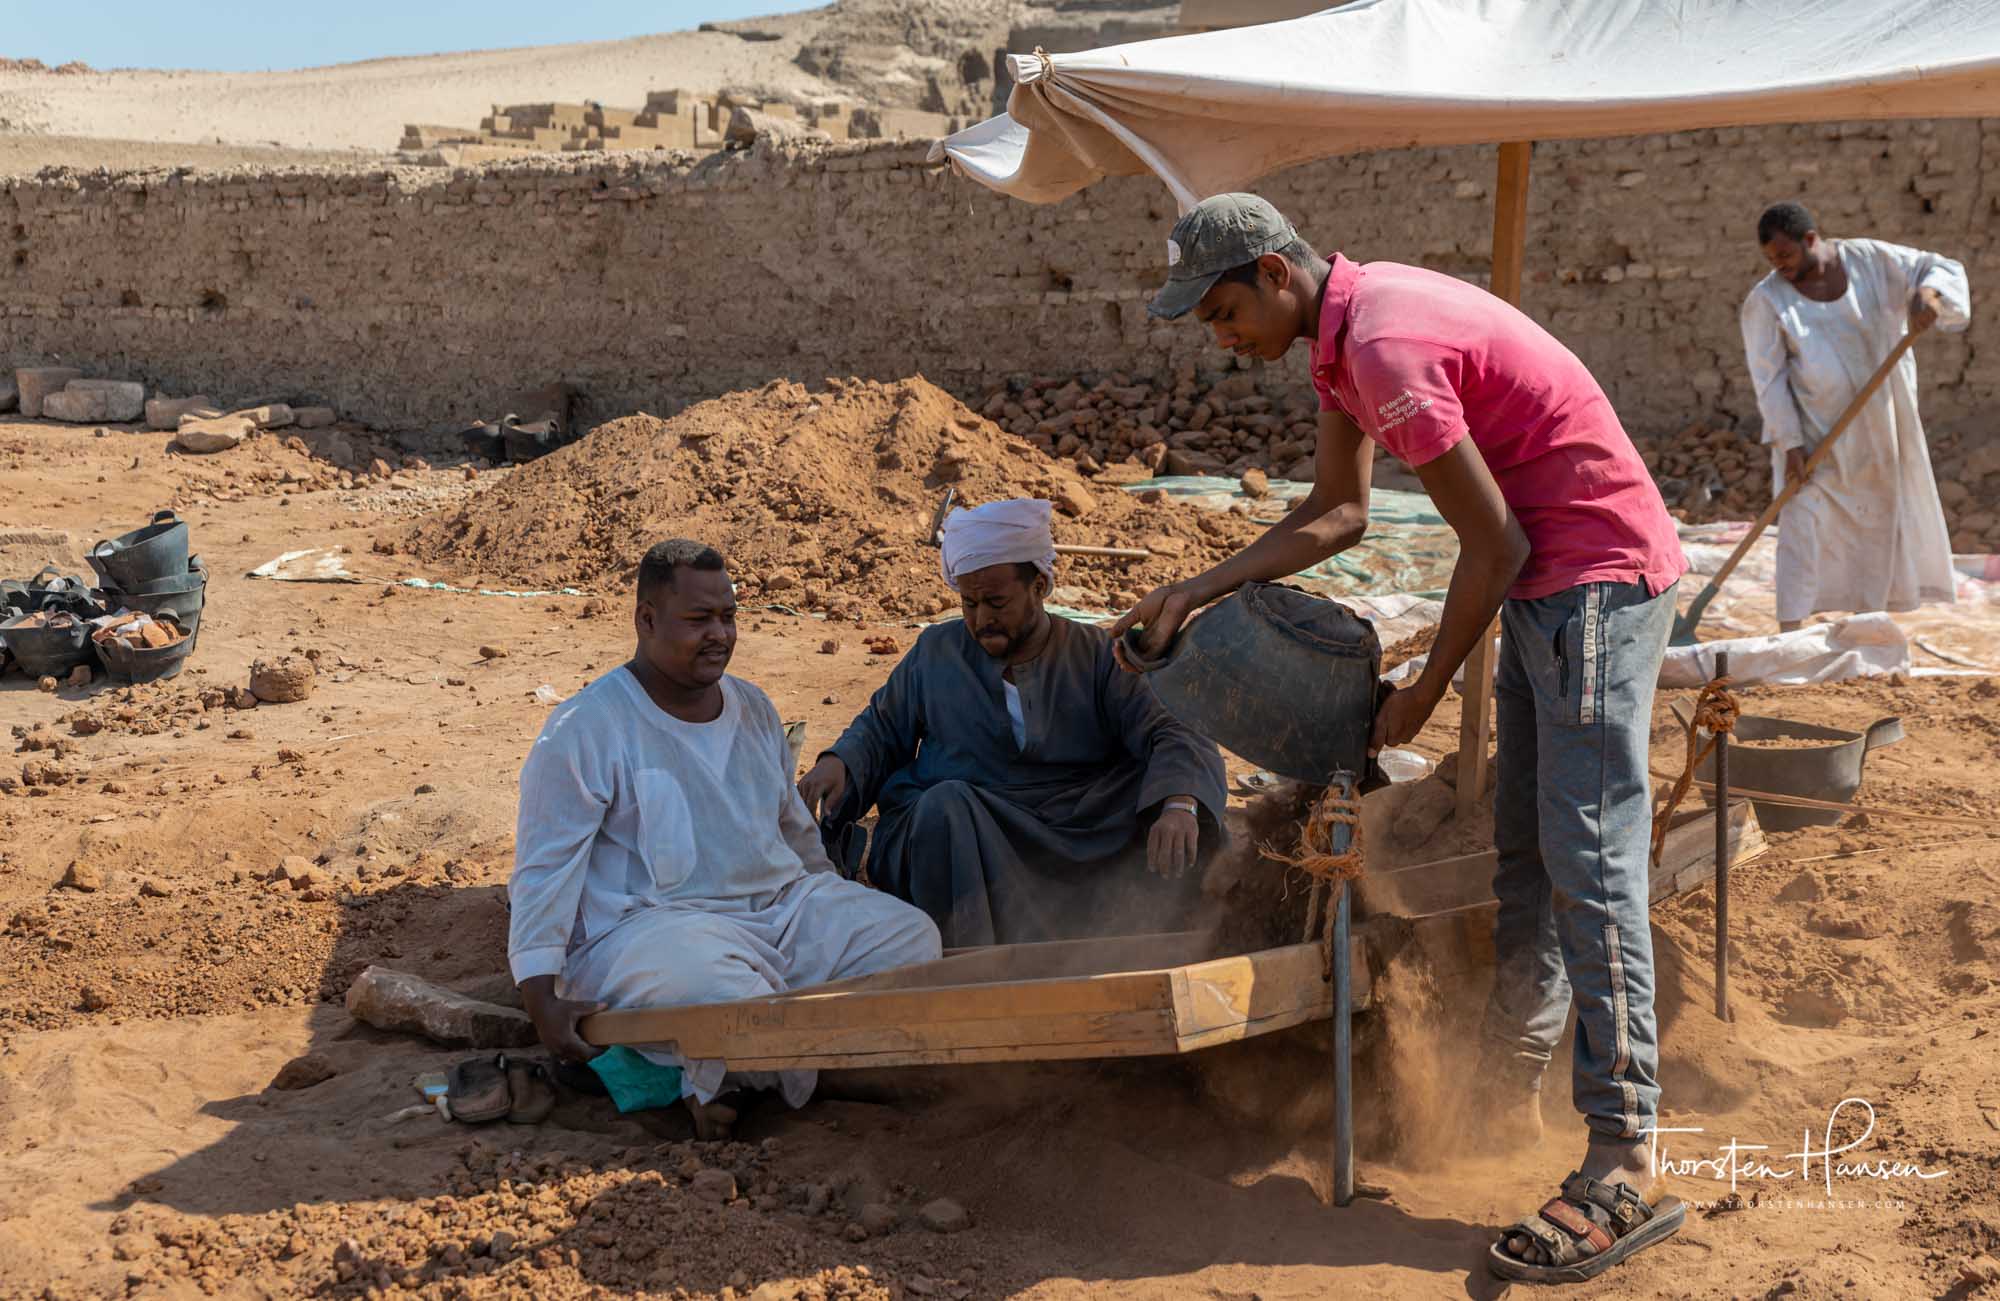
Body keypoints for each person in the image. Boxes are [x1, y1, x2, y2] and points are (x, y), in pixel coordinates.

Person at [1114, 194, 1690, 1282]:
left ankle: (1624, 1154)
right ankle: (1505, 1092)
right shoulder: (1338, 342)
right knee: (1522, 855)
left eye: (1223, 310)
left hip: (1594, 579)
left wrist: (1424, 685)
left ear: (1276, 274)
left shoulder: (1381, 345)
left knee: (1586, 857)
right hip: (1540, 588)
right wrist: (1195, 589)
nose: (1220, 335)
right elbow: (1337, 512)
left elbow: (1496, 537)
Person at [508, 539, 941, 1137]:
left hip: (780, 911)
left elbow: (793, 827)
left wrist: (832, 904)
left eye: (729, 617)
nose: (720, 634)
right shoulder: (586, 727)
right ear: (646, 620)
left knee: (910, 939)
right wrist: (539, 997)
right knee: (724, 999)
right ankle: (770, 1071)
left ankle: (744, 1071)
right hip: (653, 932)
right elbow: (544, 869)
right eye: (698, 619)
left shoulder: (754, 707)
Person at [797, 499, 1228, 948]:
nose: (982, 619)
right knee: (943, 809)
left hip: (1077, 827)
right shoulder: (936, 652)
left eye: (997, 602)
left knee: (1169, 807)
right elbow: (882, 730)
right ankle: (974, 970)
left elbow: (1173, 728)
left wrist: (1180, 805)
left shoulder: (1096, 653)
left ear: (1039, 586)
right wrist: (840, 763)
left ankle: (1164, 949)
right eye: (969, 603)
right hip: (976, 828)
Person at [1742, 201, 1968, 631]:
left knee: (1877, 521)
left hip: (1882, 426)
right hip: (1813, 435)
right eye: (1772, 260)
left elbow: (1939, 267)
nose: (1781, 268)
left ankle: (1870, 622)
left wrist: (1927, 295)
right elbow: (1769, 380)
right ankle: (1790, 628)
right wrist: (1788, 442)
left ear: (1811, 240)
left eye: (1786, 256)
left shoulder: (1871, 260)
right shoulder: (1766, 301)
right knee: (1802, 523)